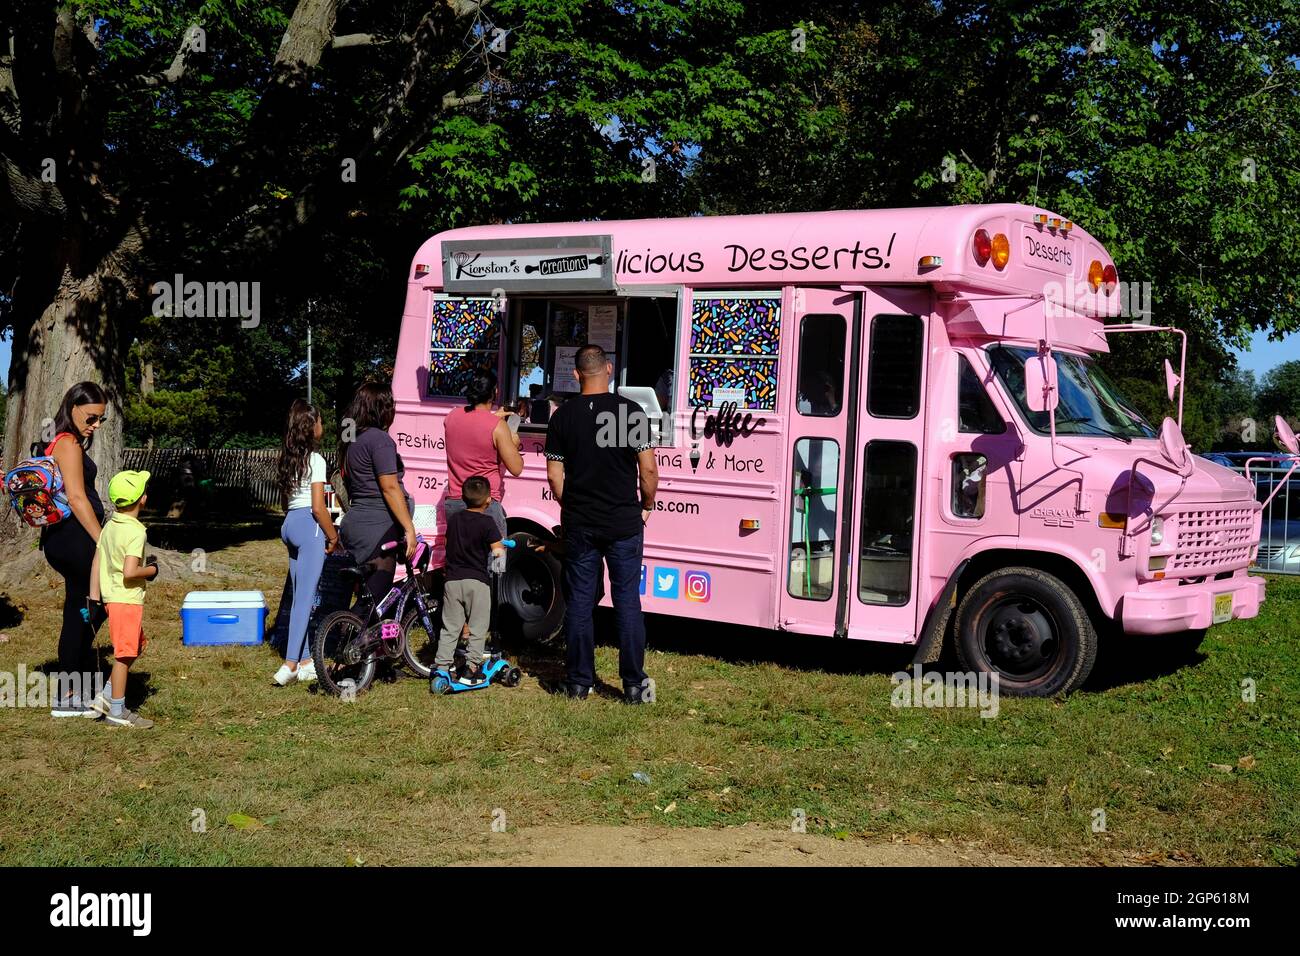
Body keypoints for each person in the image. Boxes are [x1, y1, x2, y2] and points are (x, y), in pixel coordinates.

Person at [545, 344, 659, 703]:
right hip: (624, 522)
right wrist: (647, 505)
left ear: (576, 374)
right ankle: (633, 684)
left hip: (580, 523)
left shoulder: (561, 417)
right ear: (609, 369)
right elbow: (649, 470)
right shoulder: (630, 412)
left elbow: (554, 475)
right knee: (627, 601)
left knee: (579, 601)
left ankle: (579, 682)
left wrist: (572, 504)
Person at [41, 382, 109, 718]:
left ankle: (77, 684)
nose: (96, 425)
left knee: (86, 609)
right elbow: (78, 498)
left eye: (101, 420)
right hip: (74, 538)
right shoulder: (67, 443)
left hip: (72, 537)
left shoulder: (67, 442)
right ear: (74, 407)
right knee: (83, 610)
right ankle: (68, 694)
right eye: (92, 417)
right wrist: (103, 540)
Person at [274, 400, 338, 686]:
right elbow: (318, 507)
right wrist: (333, 535)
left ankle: (306, 661)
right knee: (305, 601)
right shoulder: (317, 460)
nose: (323, 426)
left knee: (301, 595)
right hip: (310, 527)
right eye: (320, 421)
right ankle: (289, 664)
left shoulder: (287, 458)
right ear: (312, 427)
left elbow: (286, 500)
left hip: (288, 524)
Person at [87, 470, 157, 729]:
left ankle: (106, 697)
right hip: (126, 599)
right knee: (124, 654)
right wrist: (151, 570)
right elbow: (130, 572)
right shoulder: (136, 531)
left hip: (110, 597)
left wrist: (94, 598)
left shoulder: (109, 526)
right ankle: (117, 710)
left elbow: (97, 561)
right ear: (143, 499)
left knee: (136, 644)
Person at [337, 383, 418, 602]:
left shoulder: (351, 438)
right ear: (382, 408)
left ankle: (339, 631)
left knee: (362, 598)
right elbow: (389, 487)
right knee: (374, 603)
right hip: (378, 527)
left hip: (354, 524)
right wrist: (409, 529)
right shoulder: (380, 440)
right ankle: (348, 636)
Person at [434, 476, 506, 686]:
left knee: (450, 627)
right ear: (488, 501)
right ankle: (472, 668)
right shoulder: (487, 522)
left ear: (463, 498)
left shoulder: (455, 519)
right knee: (478, 626)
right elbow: (497, 550)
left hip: (453, 581)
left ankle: (441, 668)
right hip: (477, 582)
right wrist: (501, 551)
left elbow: (448, 542)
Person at [442, 370, 524, 539]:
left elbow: (473, 429)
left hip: (455, 503)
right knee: (491, 562)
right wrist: (512, 442)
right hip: (485, 506)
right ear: (495, 392)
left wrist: (492, 417)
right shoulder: (498, 426)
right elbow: (516, 468)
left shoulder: (451, 417)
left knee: (460, 561)